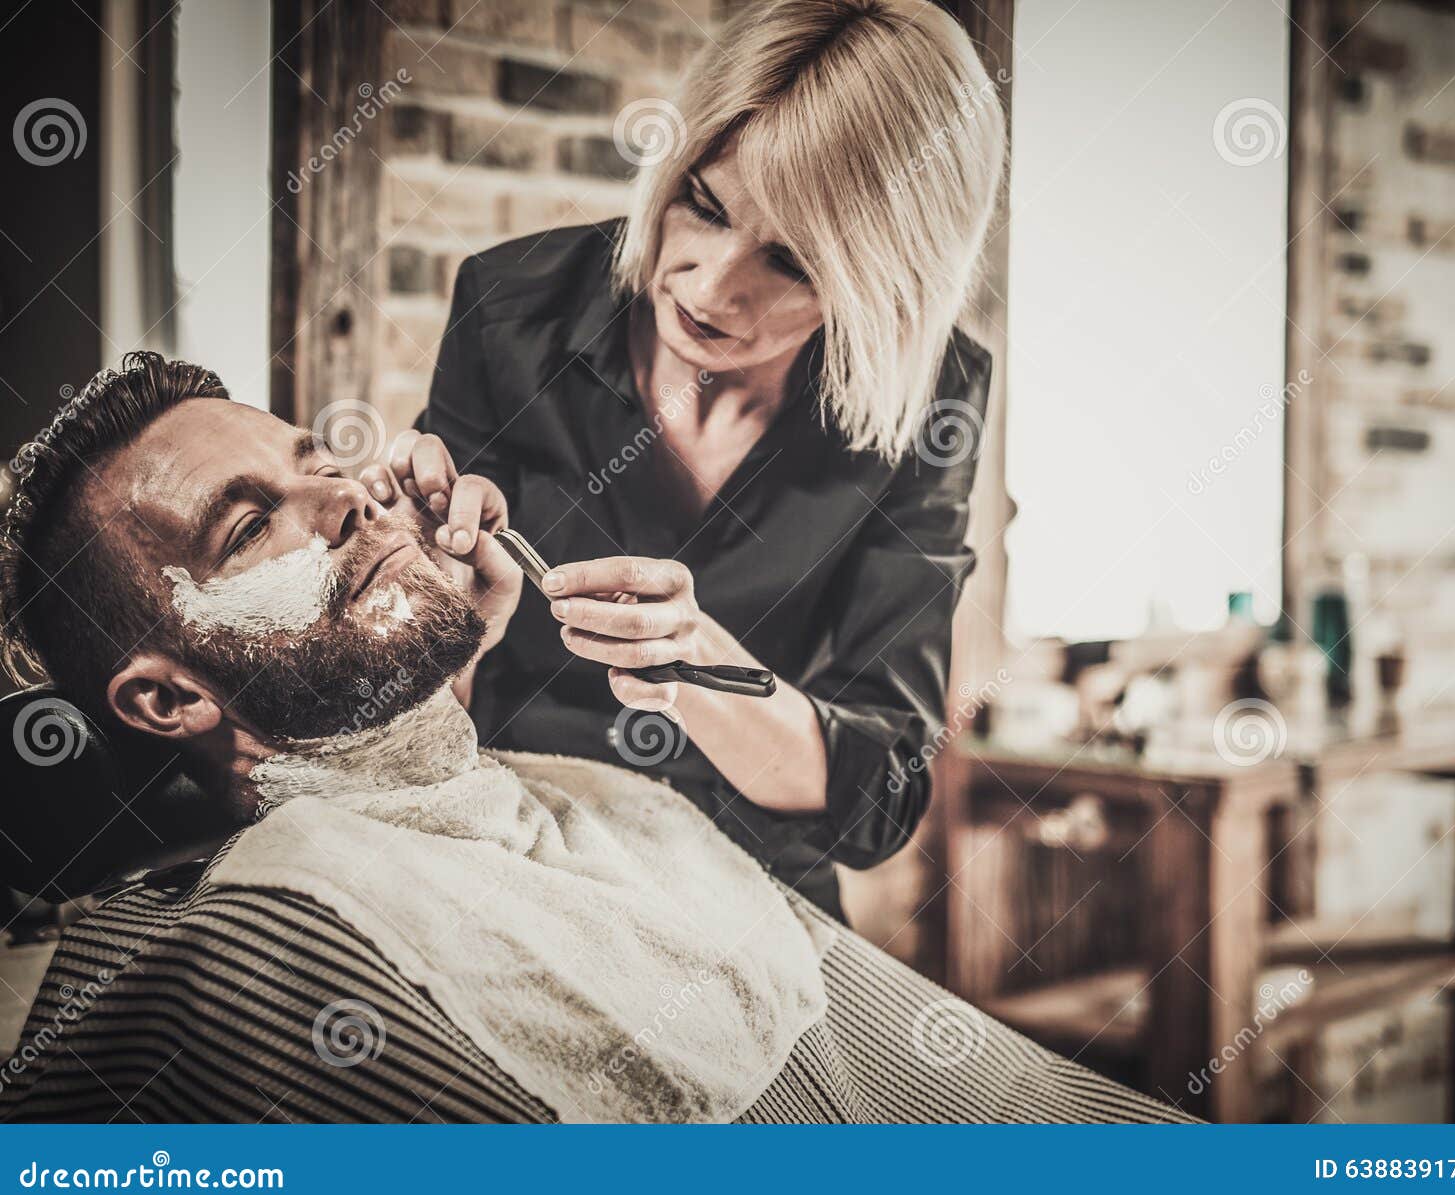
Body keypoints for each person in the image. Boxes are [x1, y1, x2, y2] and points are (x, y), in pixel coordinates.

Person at [0, 354, 1190, 1126]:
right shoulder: (258, 954)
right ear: (165, 702)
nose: (350, 498)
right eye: (253, 522)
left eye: (321, 463)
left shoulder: (591, 806)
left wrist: (448, 639)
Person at [412, 0, 1006, 918]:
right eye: (704, 204)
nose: (711, 287)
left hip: (753, 891)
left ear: (886, 282)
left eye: (795, 263)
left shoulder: (933, 394)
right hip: (517, 843)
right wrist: (440, 589)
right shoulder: (509, 306)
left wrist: (699, 665)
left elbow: (879, 797)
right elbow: (416, 703)